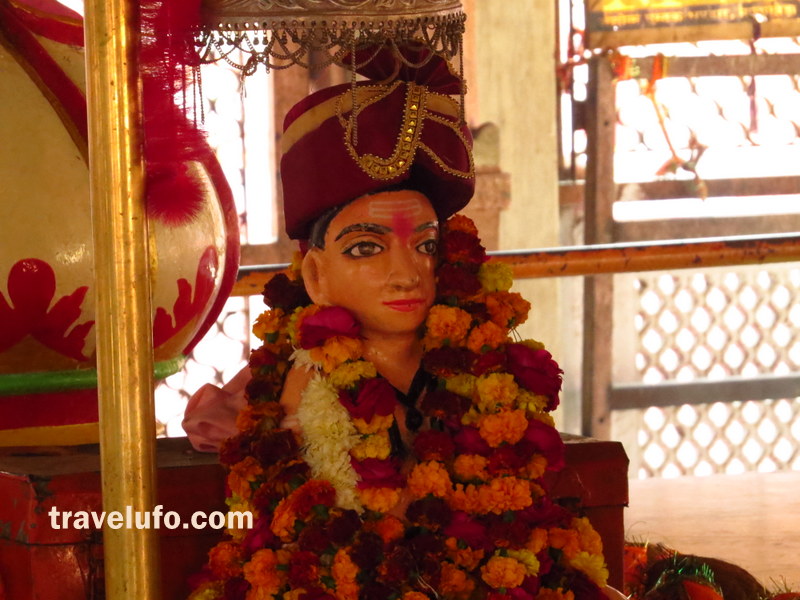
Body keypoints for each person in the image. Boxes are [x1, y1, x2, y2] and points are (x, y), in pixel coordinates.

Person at [186, 45, 624, 600]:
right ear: (316, 277)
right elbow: (324, 522)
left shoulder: (476, 357)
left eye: (425, 246)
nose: (405, 275)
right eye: (367, 248)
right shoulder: (313, 377)